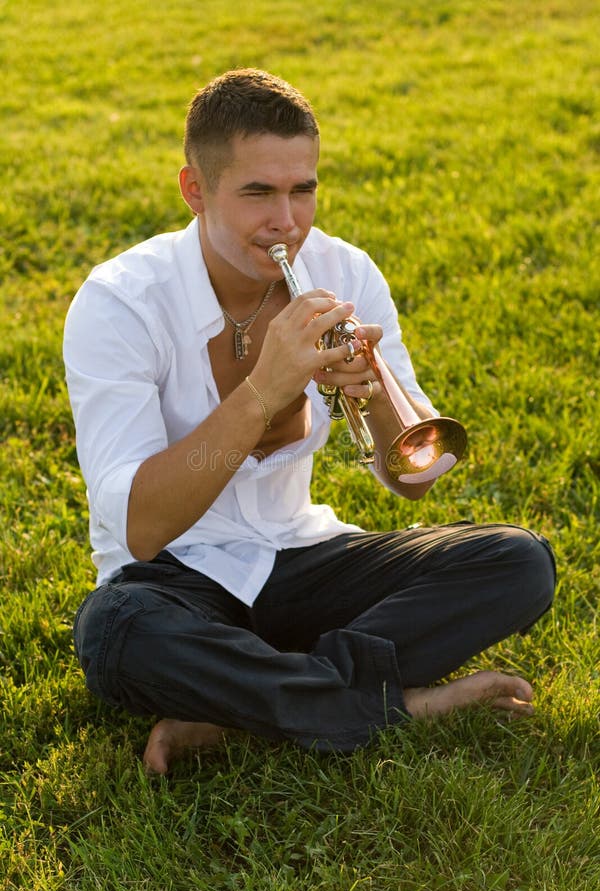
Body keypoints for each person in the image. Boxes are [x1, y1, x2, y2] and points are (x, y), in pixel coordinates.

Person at [63, 69, 555, 775]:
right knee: (116, 633)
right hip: (175, 578)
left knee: (518, 561)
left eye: (304, 190)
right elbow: (141, 527)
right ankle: (400, 703)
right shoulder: (121, 303)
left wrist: (373, 387)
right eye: (258, 193)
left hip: (301, 557)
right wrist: (265, 389)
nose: (287, 221)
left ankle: (242, 712)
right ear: (195, 191)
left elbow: (414, 478)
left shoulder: (345, 270)